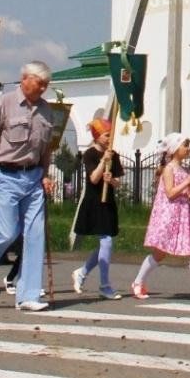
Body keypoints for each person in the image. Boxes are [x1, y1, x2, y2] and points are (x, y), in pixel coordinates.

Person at [0, 63, 61, 312]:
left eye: (46, 84)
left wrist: (46, 174)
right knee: (6, 232)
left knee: (35, 235)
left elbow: (47, 147)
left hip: (33, 178)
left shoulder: (47, 110)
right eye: (40, 82)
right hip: (5, 175)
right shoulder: (3, 103)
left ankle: (28, 295)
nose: (43, 88)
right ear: (25, 79)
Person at [130, 131, 190, 301]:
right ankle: (138, 281)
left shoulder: (184, 169)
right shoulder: (169, 169)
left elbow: (185, 195)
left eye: (189, 145)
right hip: (169, 215)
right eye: (185, 145)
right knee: (160, 253)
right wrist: (187, 182)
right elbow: (170, 193)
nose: (189, 149)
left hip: (183, 214)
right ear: (175, 149)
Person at [70, 114, 125, 299]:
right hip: (94, 202)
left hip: (108, 202)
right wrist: (103, 162)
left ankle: (82, 272)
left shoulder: (113, 154)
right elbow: (93, 178)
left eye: (110, 135)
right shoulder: (90, 154)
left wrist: (112, 181)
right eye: (106, 135)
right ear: (96, 136)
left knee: (106, 244)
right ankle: (104, 285)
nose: (109, 138)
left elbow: (118, 181)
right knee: (106, 241)